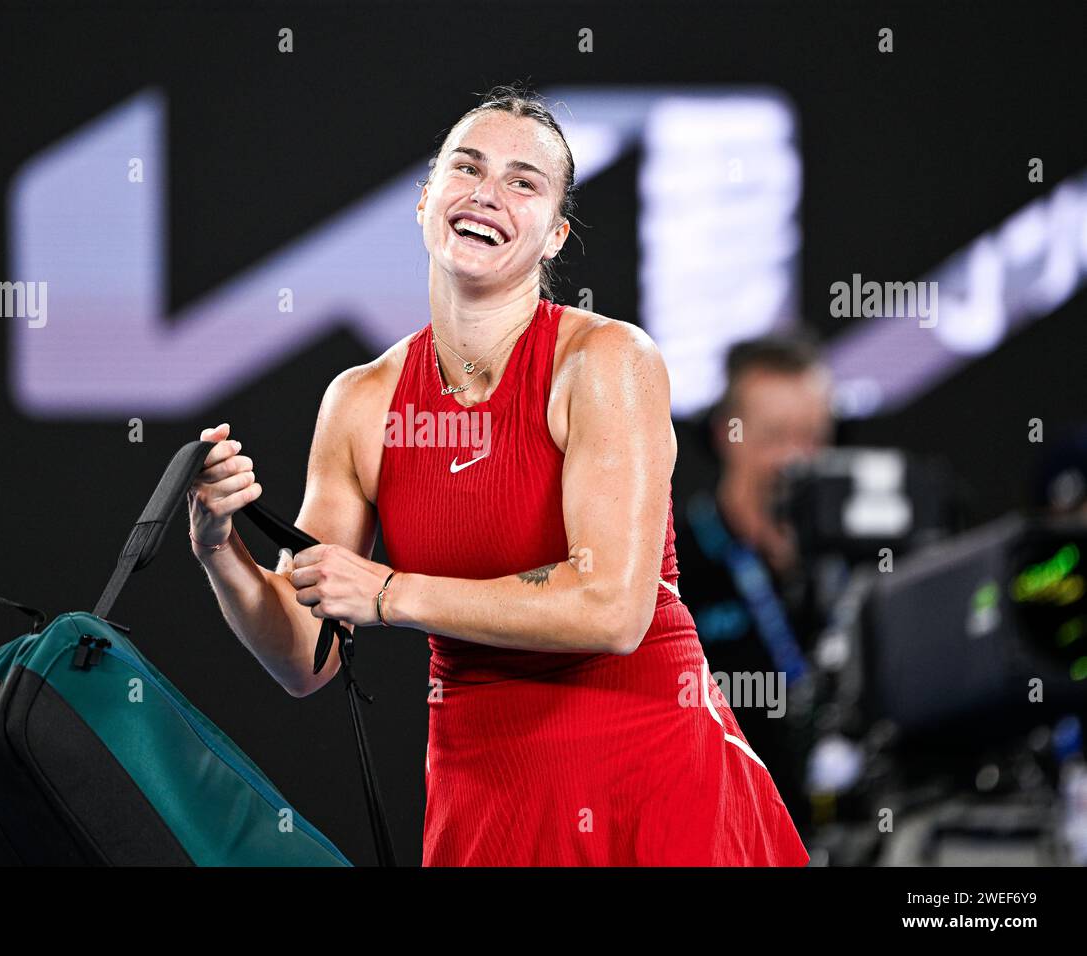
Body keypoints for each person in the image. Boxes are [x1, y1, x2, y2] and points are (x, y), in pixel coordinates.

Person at [186, 83, 808, 866]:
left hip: (651, 782)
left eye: (524, 182)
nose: (488, 194)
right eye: (467, 167)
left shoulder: (608, 362)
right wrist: (221, 553)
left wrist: (387, 592)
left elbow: (612, 608)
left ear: (555, 236)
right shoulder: (359, 402)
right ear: (424, 201)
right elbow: (306, 657)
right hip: (486, 799)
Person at [674, 335, 836, 835]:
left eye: (811, 437)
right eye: (774, 437)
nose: (795, 461)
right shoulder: (671, 566)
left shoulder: (852, 564)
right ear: (728, 434)